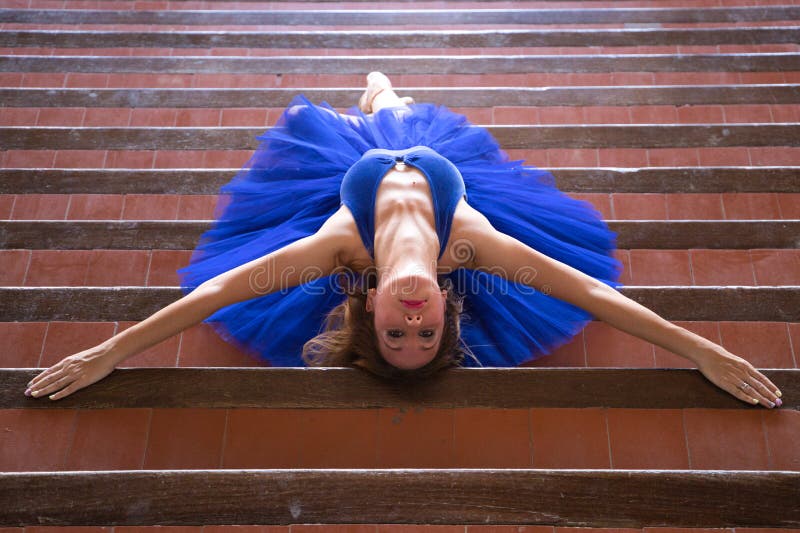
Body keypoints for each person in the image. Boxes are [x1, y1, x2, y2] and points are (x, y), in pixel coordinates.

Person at [23, 73, 782, 409]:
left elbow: (219, 289)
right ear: (452, 311)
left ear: (369, 308)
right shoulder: (471, 246)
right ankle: (383, 100)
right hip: (439, 164)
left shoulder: (340, 246)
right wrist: (700, 349)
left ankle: (371, 107)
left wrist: (110, 351)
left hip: (355, 175)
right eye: (425, 331)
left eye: (396, 331)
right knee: (404, 110)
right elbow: (590, 292)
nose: (412, 316)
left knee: (369, 121)